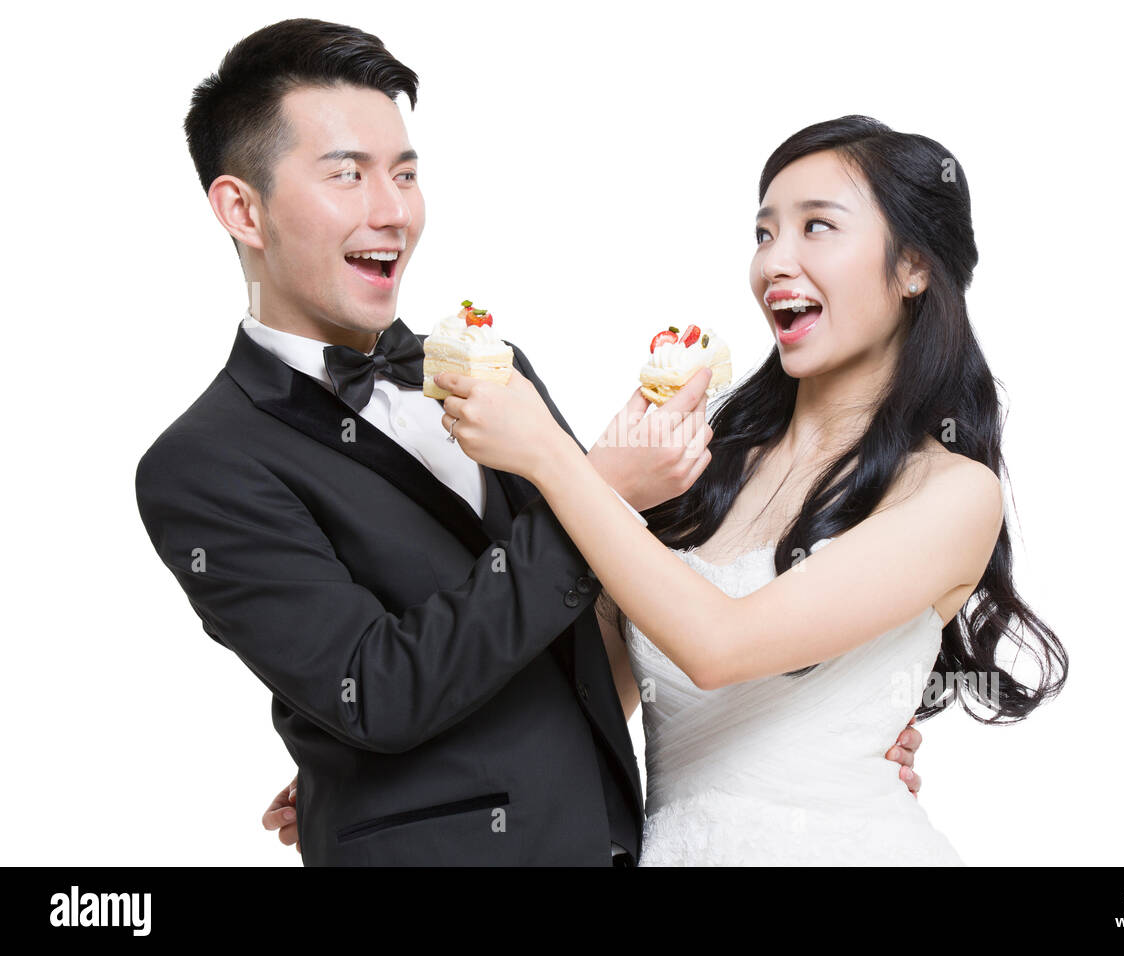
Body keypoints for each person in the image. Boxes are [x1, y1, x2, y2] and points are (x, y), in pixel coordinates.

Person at [135, 19, 925, 866]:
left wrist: (813, 722)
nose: (393, 210)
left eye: (405, 174)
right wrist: (595, 486)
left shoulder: (496, 370)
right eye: (348, 175)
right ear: (241, 208)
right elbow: (380, 692)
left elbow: (582, 640)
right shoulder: (202, 463)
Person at [429, 115, 1068, 865]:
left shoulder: (954, 493)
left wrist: (555, 457)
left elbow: (718, 646)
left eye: (817, 227)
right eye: (764, 234)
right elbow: (585, 700)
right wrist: (389, 786)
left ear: (913, 268)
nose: (775, 263)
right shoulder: (700, 462)